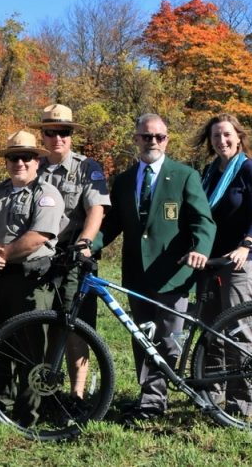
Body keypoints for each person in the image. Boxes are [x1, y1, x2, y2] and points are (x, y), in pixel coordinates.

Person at [94, 114, 216, 425]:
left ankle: (156, 400)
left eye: (159, 137)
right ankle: (151, 400)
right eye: (146, 136)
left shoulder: (184, 175)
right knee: (142, 337)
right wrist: (88, 244)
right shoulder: (123, 181)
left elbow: (203, 220)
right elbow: (112, 226)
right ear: (136, 139)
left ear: (167, 140)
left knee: (167, 339)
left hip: (173, 273)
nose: (153, 142)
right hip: (137, 274)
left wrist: (200, 249)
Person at [0, 131, 64, 425]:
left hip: (33, 281)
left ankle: (29, 414)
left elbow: (39, 236)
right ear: (7, 161)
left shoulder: (47, 194)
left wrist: (1, 254)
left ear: (37, 161)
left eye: (26, 157)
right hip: (0, 278)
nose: (20, 162)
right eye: (14, 157)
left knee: (32, 349)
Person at [31, 104, 111, 399]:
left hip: (73, 257)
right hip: (38, 257)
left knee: (76, 327)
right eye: (51, 132)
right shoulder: (32, 165)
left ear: (71, 134)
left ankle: (77, 396)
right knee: (39, 324)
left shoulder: (87, 168)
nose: (57, 138)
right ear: (43, 134)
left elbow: (96, 209)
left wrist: (85, 242)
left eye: (63, 132)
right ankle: (42, 392)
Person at [193, 113, 252, 416]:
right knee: (210, 330)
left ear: (238, 136)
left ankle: (241, 404)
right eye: (215, 136)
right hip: (209, 262)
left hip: (238, 262)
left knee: (237, 331)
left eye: (226, 135)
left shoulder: (250, 171)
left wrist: (245, 245)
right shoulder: (208, 173)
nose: (221, 141)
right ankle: (212, 396)